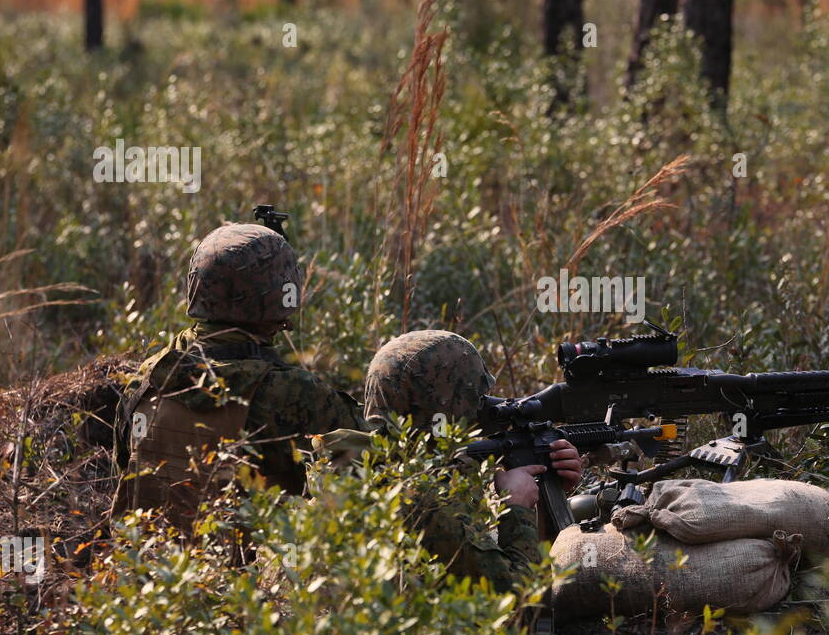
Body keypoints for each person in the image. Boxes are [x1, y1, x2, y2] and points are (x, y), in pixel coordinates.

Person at [112, 222, 368, 536]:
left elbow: (124, 470)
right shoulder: (295, 394)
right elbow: (370, 476)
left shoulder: (148, 376)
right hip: (246, 565)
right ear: (279, 295)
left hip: (141, 559)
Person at [318, 329, 582, 591]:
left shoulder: (360, 464)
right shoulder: (425, 499)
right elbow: (518, 598)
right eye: (477, 399)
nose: (483, 407)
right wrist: (517, 508)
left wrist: (545, 491)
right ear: (447, 407)